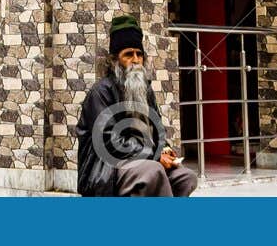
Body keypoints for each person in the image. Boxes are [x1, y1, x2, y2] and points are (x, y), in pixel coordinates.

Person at [75, 14, 197, 197]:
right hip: (109, 168)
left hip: (142, 159)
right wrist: (155, 156)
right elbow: (111, 142)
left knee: (186, 177)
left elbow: (157, 128)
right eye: (128, 54)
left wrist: (164, 148)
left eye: (139, 54)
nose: (135, 60)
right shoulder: (100, 93)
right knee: (153, 171)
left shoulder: (144, 89)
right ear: (115, 60)